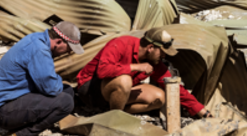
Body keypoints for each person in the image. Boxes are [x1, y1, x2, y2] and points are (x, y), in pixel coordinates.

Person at [0, 21, 85, 136]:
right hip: (2, 111)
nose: (67, 53)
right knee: (66, 102)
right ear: (58, 42)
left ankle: (25, 133)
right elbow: (51, 88)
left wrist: (54, 80)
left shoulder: (36, 38)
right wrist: (57, 78)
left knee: (67, 91)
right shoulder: (39, 50)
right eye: (68, 49)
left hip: (7, 103)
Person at [76, 27, 212, 118]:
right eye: (162, 53)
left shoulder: (154, 62)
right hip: (89, 90)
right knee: (125, 80)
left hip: (115, 94)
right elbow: (103, 71)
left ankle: (115, 110)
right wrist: (135, 67)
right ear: (150, 48)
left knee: (160, 97)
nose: (164, 57)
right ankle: (114, 120)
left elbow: (176, 88)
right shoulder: (121, 44)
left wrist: (202, 112)